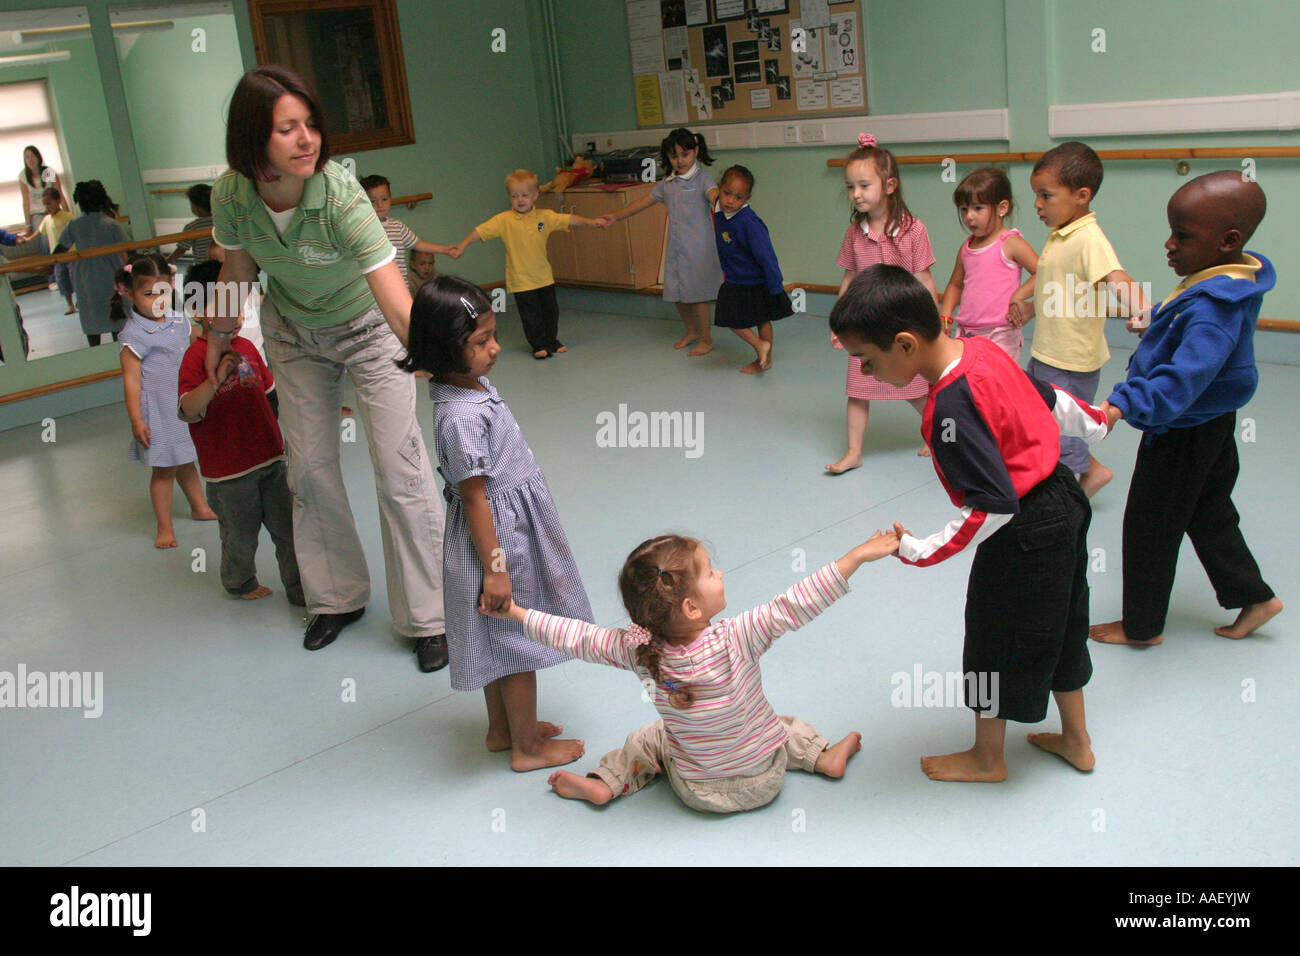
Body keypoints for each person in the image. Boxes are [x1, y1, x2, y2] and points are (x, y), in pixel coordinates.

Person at [206, 65, 446, 670]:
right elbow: (236, 272)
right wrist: (217, 335)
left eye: (311, 124)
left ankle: (431, 614)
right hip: (293, 334)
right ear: (253, 139)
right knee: (309, 471)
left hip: (368, 330)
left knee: (401, 467)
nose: (307, 139)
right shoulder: (232, 195)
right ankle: (337, 598)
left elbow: (395, 298)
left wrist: (442, 363)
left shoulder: (341, 197)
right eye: (288, 129)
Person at [831, 265, 1111, 783]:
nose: (866, 374)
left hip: (1024, 530)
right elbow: (1047, 398)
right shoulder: (983, 350)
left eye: (867, 361)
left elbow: (994, 505)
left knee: (993, 637)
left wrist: (915, 548)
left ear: (905, 344)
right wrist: (1093, 423)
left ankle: (988, 758)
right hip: (1066, 501)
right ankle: (1077, 741)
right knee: (1066, 622)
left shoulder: (947, 410)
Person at [483, 531, 897, 811]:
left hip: (697, 791)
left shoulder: (638, 650)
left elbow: (575, 636)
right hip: (766, 780)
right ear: (691, 608)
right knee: (779, 725)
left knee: (647, 739)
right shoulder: (741, 636)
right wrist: (858, 555)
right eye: (710, 571)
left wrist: (517, 611)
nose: (719, 573)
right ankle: (821, 759)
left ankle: (606, 783)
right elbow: (798, 601)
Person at [400, 276, 593, 769]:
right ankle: (527, 747)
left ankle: (503, 728)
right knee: (517, 638)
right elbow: (475, 498)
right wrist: (496, 568)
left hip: (500, 529)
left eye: (493, 335)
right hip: (500, 538)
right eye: (481, 341)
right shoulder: (459, 416)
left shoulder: (464, 385)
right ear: (446, 349)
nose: (495, 349)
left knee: (493, 637)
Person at [1091, 171, 1283, 647]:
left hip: (1183, 428)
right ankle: (1254, 596)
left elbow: (1184, 378)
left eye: (1183, 235)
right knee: (1207, 509)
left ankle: (1142, 626)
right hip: (1212, 421)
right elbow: (1190, 320)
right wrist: (1158, 321)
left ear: (1228, 240)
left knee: (1149, 527)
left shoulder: (1214, 310)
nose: (1169, 244)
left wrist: (1121, 404)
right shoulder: (1226, 279)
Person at [1007, 141, 1148, 497]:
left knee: (1062, 429)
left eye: (1046, 195)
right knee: (1036, 416)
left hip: (1070, 360)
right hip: (1047, 351)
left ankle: (1067, 497)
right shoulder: (1060, 234)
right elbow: (1060, 284)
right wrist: (1030, 306)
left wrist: (1146, 315)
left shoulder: (1089, 239)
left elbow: (1118, 278)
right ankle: (1089, 472)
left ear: (1081, 195)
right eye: (1036, 194)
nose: (1037, 204)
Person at [178, 273, 302, 606]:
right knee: (240, 536)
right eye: (223, 309)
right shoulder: (195, 358)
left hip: (271, 459)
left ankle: (299, 587)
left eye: (237, 308)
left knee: (288, 530)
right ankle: (239, 581)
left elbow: (271, 394)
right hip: (229, 474)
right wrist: (214, 382)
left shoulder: (247, 347)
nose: (235, 317)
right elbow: (187, 410)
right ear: (198, 312)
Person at [827, 133, 940, 474]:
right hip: (864, 326)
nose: (856, 194)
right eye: (850, 187)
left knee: (918, 390)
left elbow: (924, 278)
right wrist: (838, 323)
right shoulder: (854, 233)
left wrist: (935, 322)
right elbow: (849, 278)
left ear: (890, 185)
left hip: (902, 328)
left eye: (863, 185)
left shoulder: (913, 230)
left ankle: (938, 439)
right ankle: (854, 451)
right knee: (858, 390)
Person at [114, 253, 217, 548]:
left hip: (183, 405)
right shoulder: (133, 334)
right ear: (129, 293)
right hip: (158, 413)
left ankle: (199, 507)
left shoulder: (175, 318)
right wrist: (136, 419)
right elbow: (131, 380)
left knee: (185, 459)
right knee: (164, 470)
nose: (157, 300)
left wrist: (215, 337)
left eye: (163, 291)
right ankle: (164, 526)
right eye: (148, 294)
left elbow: (196, 336)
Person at [450, 168, 608, 359]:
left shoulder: (545, 216)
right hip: (521, 280)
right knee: (531, 315)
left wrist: (591, 222)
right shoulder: (503, 220)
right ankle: (538, 344)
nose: (520, 200)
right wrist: (463, 244)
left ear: (534, 195)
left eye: (525, 195)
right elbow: (480, 231)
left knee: (550, 312)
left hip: (544, 277)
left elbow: (569, 219)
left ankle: (551, 340)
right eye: (514, 196)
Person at [605, 128, 724, 356]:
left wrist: (723, 202)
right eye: (674, 155)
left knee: (698, 296)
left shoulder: (703, 179)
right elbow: (642, 202)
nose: (680, 160)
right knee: (677, 293)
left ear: (696, 152)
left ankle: (706, 339)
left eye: (685, 154)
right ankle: (692, 331)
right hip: (676, 248)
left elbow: (713, 195)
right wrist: (616, 216)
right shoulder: (667, 183)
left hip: (699, 249)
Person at [938, 167, 1037, 362]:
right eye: (964, 210)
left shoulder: (1010, 242)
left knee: (996, 383)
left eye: (978, 208)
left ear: (1002, 208)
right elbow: (955, 284)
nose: (969, 217)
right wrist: (946, 315)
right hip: (966, 331)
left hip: (1000, 332)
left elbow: (1043, 273)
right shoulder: (966, 247)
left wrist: (1020, 295)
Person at [710, 165, 792, 373]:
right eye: (727, 193)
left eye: (738, 197)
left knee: (745, 318)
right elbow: (708, 194)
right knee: (744, 317)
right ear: (720, 188)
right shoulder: (719, 207)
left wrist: (775, 284)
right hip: (735, 277)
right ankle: (762, 351)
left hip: (753, 279)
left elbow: (767, 256)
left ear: (747, 199)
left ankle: (763, 354)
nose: (730, 200)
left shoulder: (749, 222)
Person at [53, 181, 128, 347]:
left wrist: (46, 267)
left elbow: (58, 251)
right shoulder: (111, 224)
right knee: (116, 316)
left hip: (86, 279)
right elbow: (127, 252)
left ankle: (94, 351)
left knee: (91, 317)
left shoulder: (74, 225)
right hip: (111, 276)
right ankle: (120, 351)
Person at [358, 174, 458, 283]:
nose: (380, 204)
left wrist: (444, 249)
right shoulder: (362, 228)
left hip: (401, 286)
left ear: (390, 199)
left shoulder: (397, 226)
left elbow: (417, 244)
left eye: (384, 199)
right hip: (375, 288)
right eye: (373, 201)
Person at [31, 187, 76, 314]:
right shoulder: (46, 219)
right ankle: (70, 304)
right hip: (56, 258)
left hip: (71, 255)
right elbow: (39, 231)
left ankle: (80, 301)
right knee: (62, 280)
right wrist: (28, 238)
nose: (47, 207)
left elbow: (76, 233)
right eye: (44, 204)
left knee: (75, 278)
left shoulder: (67, 216)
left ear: (58, 201)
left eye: (49, 203)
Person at [19, 145, 67, 236]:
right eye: (27, 157)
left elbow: (60, 195)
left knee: (61, 232)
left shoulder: (49, 172)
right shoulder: (23, 176)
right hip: (37, 213)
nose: (30, 160)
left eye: (33, 156)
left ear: (38, 157)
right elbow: (26, 203)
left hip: (53, 210)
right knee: (44, 233)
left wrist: (67, 214)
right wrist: (28, 224)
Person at [166, 184, 214, 264]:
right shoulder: (221, 222)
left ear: (197, 207)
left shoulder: (192, 227)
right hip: (223, 265)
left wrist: (169, 260)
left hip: (203, 266)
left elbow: (181, 249)